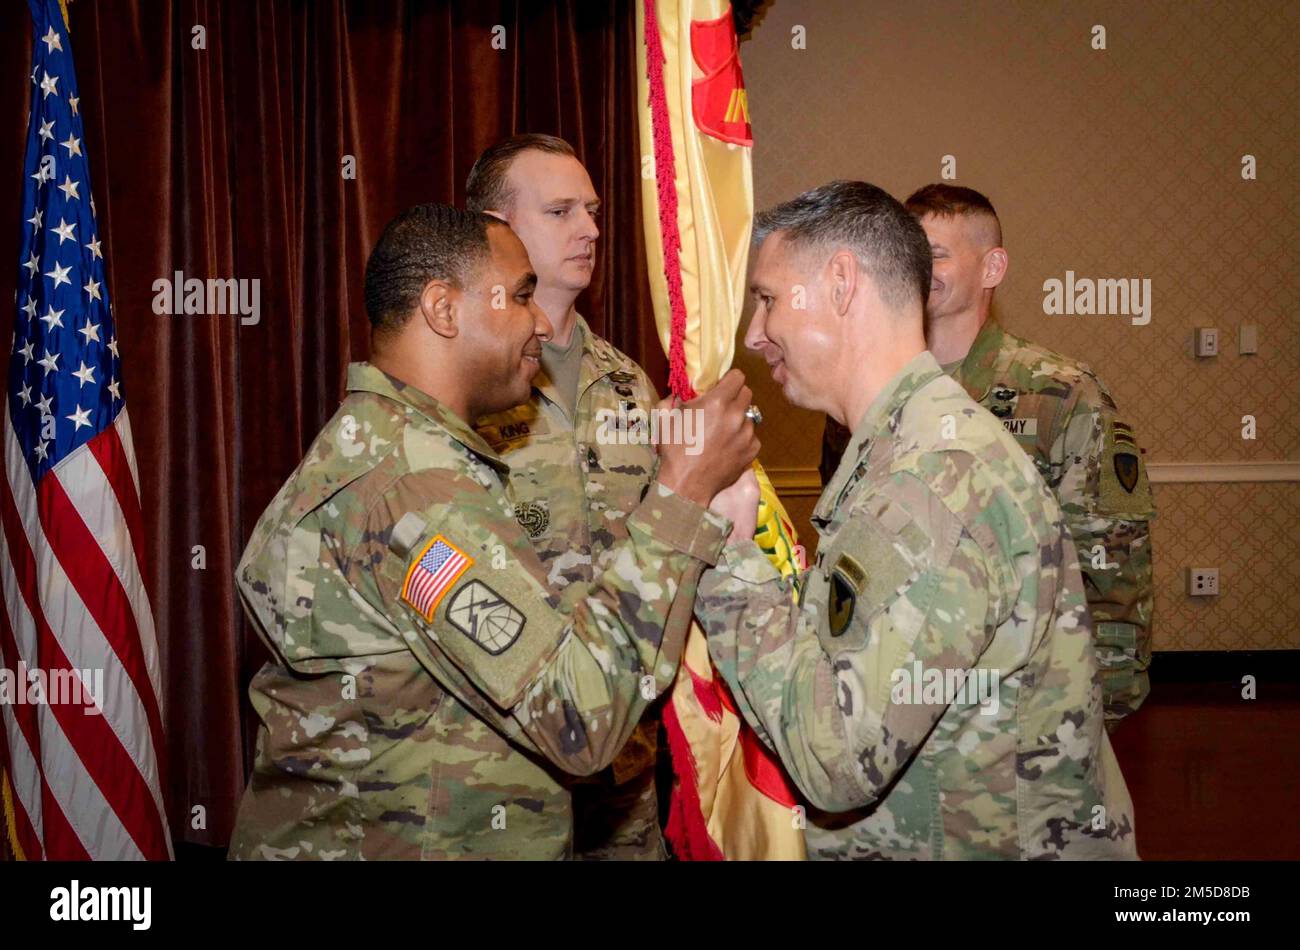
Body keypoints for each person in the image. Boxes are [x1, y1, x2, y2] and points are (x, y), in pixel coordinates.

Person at [229, 203, 758, 860]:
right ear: (443, 310)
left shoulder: (407, 455)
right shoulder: (413, 489)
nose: (541, 323)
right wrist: (683, 492)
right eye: (523, 295)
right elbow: (579, 716)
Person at [702, 181, 1137, 859]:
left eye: (768, 299)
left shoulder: (932, 476)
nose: (755, 334)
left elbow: (837, 761)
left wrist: (727, 557)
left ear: (842, 283)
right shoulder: (908, 445)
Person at [823, 184, 1155, 729]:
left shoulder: (1061, 396)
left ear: (992, 267)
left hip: (1020, 711)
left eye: (936, 255)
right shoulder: (860, 395)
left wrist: (1101, 713)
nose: (916, 269)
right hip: (885, 700)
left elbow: (1113, 569)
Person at [466, 134, 676, 859]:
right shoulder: (459, 389)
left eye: (591, 210)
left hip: (623, 772)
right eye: (560, 211)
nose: (590, 228)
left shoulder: (628, 382)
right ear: (500, 230)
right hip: (499, 773)